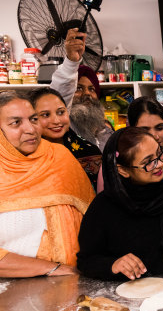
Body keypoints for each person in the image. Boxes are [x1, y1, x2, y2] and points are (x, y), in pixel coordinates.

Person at [77, 127, 163, 280]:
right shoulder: (104, 206)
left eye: (159, 154)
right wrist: (113, 265)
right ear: (123, 170)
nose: (159, 164)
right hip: (129, 297)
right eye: (148, 162)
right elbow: (86, 261)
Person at [0, 91, 95, 278]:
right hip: (9, 296)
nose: (30, 129)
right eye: (16, 123)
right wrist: (52, 268)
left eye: (33, 119)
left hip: (73, 283)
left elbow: (94, 221)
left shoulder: (59, 157)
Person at [51, 28, 113, 150]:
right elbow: (60, 94)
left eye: (92, 89)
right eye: (79, 88)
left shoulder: (106, 132)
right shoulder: (65, 127)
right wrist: (71, 63)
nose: (87, 94)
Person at [29, 88, 102, 190]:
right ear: (31, 119)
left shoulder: (88, 151)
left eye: (61, 112)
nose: (56, 120)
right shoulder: (24, 154)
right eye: (46, 115)